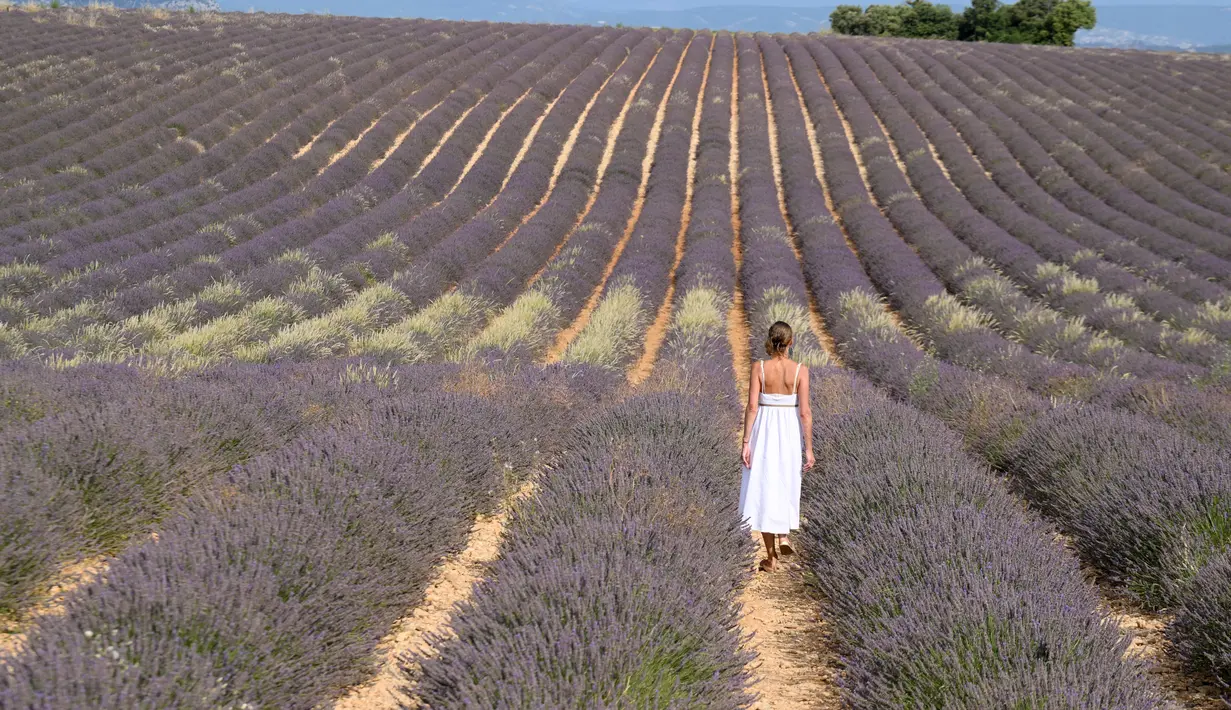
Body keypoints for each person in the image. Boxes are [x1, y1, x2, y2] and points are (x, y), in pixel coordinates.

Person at [739, 321, 814, 572]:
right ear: (791, 342)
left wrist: (746, 441)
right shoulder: (800, 370)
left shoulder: (758, 368)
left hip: (765, 428)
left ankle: (771, 558)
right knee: (785, 482)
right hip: (789, 430)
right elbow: (805, 413)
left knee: (763, 486)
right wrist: (809, 448)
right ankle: (783, 535)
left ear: (770, 341)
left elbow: (751, 407)